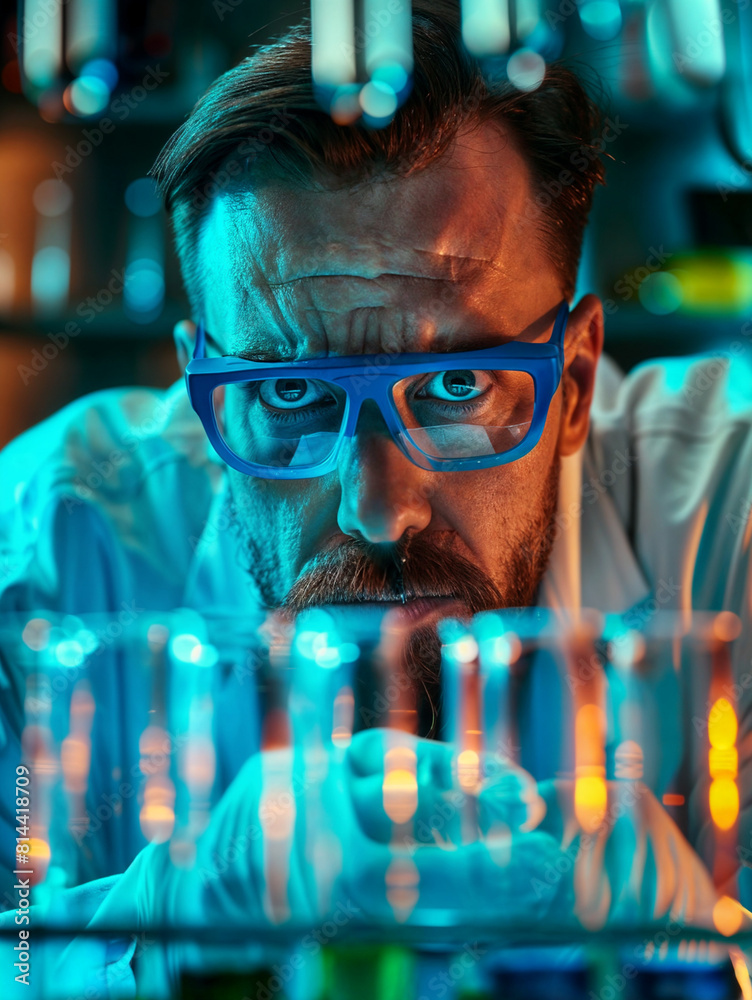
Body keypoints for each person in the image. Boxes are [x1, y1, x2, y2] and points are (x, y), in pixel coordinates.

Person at [0, 2, 750, 996]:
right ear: (197, 386)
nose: (376, 508)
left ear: (572, 383)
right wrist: (157, 936)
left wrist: (702, 947)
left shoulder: (725, 519)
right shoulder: (47, 551)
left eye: (453, 387)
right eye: (285, 391)